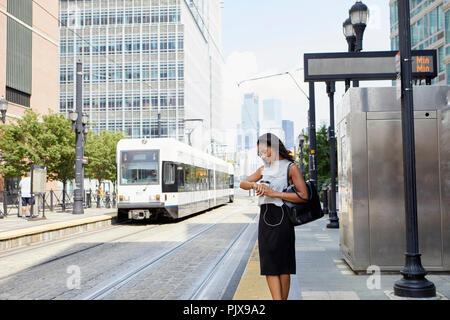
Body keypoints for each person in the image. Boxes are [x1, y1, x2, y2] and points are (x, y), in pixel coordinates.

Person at [239, 133, 308, 300]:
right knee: (269, 265)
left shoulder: (290, 167)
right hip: (265, 219)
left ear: (275, 148)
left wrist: (274, 193)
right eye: (260, 153)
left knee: (283, 266)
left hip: (283, 218)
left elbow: (303, 195)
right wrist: (255, 184)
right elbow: (243, 183)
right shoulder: (263, 170)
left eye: (265, 151)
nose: (263, 155)